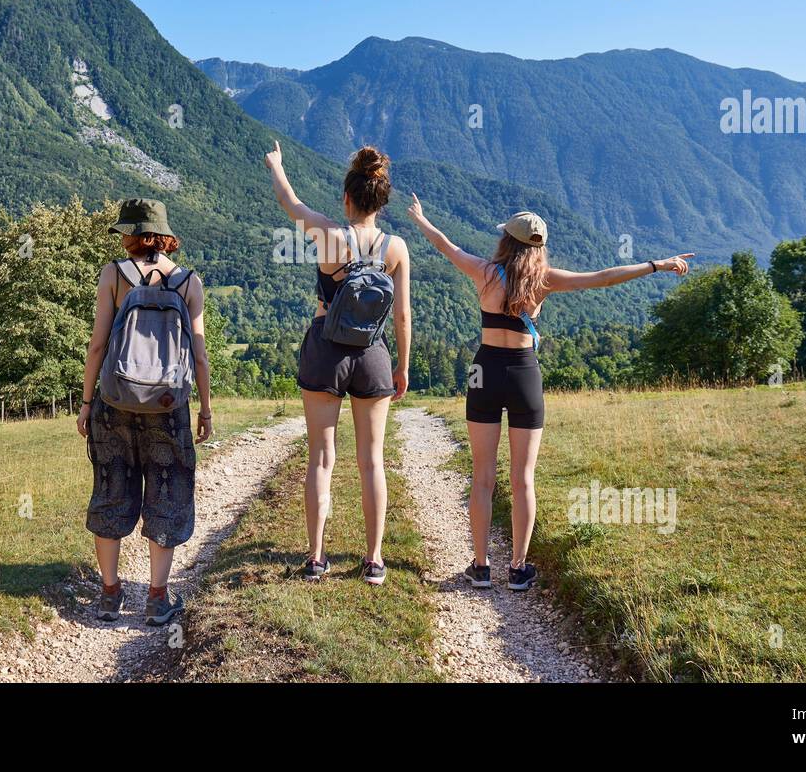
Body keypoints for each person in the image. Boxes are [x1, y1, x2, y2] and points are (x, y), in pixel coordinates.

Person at [407, 196, 692, 590]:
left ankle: (481, 566)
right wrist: (657, 265)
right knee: (523, 478)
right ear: (539, 247)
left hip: (483, 370)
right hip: (525, 373)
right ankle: (519, 569)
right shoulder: (546, 280)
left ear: (506, 240)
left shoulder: (485, 272)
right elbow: (603, 277)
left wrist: (421, 219)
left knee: (483, 477)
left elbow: (444, 244)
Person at [263, 141, 411, 585]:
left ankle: (315, 558)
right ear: (381, 202)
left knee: (321, 458)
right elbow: (402, 314)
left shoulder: (329, 234)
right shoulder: (396, 247)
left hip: (326, 350)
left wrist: (277, 165)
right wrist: (402, 366)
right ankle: (374, 559)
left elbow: (290, 202)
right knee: (372, 460)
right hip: (373, 355)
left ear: (347, 198)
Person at [76, 199, 213, 625]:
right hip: (169, 407)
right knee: (167, 492)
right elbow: (201, 354)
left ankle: (110, 595)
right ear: (166, 234)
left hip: (115, 401)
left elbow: (98, 345)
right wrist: (205, 408)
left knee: (112, 489)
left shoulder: (114, 275)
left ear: (130, 234)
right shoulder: (189, 282)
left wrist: (85, 403)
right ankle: (156, 598)